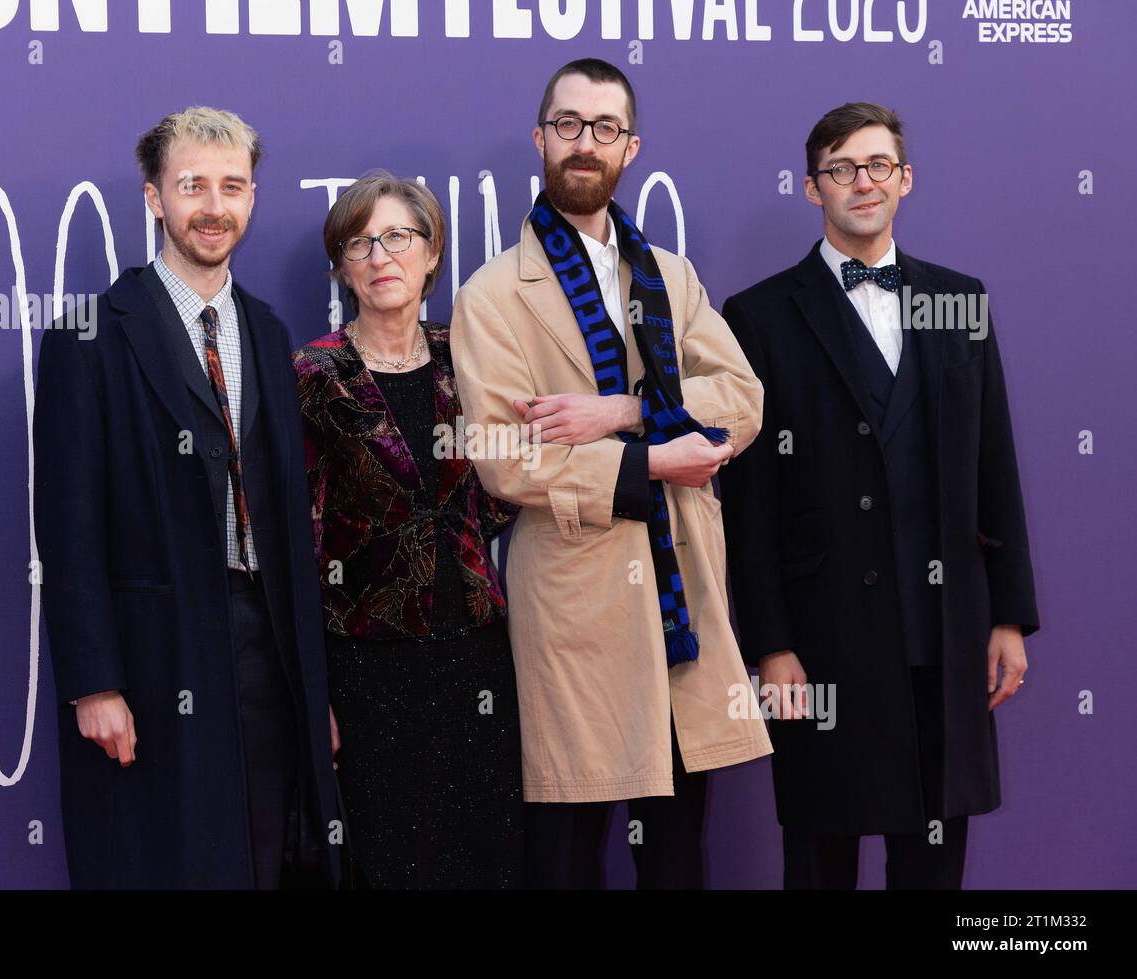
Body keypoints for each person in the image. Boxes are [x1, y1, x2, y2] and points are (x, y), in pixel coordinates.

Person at [449, 59, 771, 889]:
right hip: (573, 606)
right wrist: (657, 456)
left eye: (603, 128)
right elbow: (503, 456)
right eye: (567, 124)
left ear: (632, 145)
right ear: (539, 137)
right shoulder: (490, 295)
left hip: (679, 602)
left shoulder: (671, 274)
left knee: (675, 849)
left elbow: (741, 398)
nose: (583, 144)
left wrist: (622, 410)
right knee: (565, 850)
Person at [718, 102, 1039, 889]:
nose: (862, 182)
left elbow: (995, 466)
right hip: (822, 644)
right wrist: (770, 643)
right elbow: (748, 502)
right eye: (841, 168)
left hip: (943, 636)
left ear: (905, 180)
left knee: (934, 867)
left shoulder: (961, 301)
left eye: (878, 166)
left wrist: (1006, 616)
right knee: (820, 863)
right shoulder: (758, 316)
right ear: (810, 188)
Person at [33, 106, 337, 889]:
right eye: (192, 185)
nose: (214, 205)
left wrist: (312, 685)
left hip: (264, 645)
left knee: (266, 855)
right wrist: (95, 682)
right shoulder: (89, 334)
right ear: (154, 198)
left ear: (253, 198)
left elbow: (290, 521)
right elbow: (66, 528)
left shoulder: (269, 334)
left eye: (232, 186)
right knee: (166, 859)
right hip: (153, 652)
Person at [292, 170, 524, 889]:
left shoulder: (472, 356)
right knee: (394, 861)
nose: (379, 255)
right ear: (341, 267)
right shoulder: (313, 373)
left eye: (398, 236)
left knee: (487, 854)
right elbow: (299, 535)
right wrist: (315, 690)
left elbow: (510, 484)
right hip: (367, 663)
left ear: (432, 254)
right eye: (358, 243)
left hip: (478, 652)